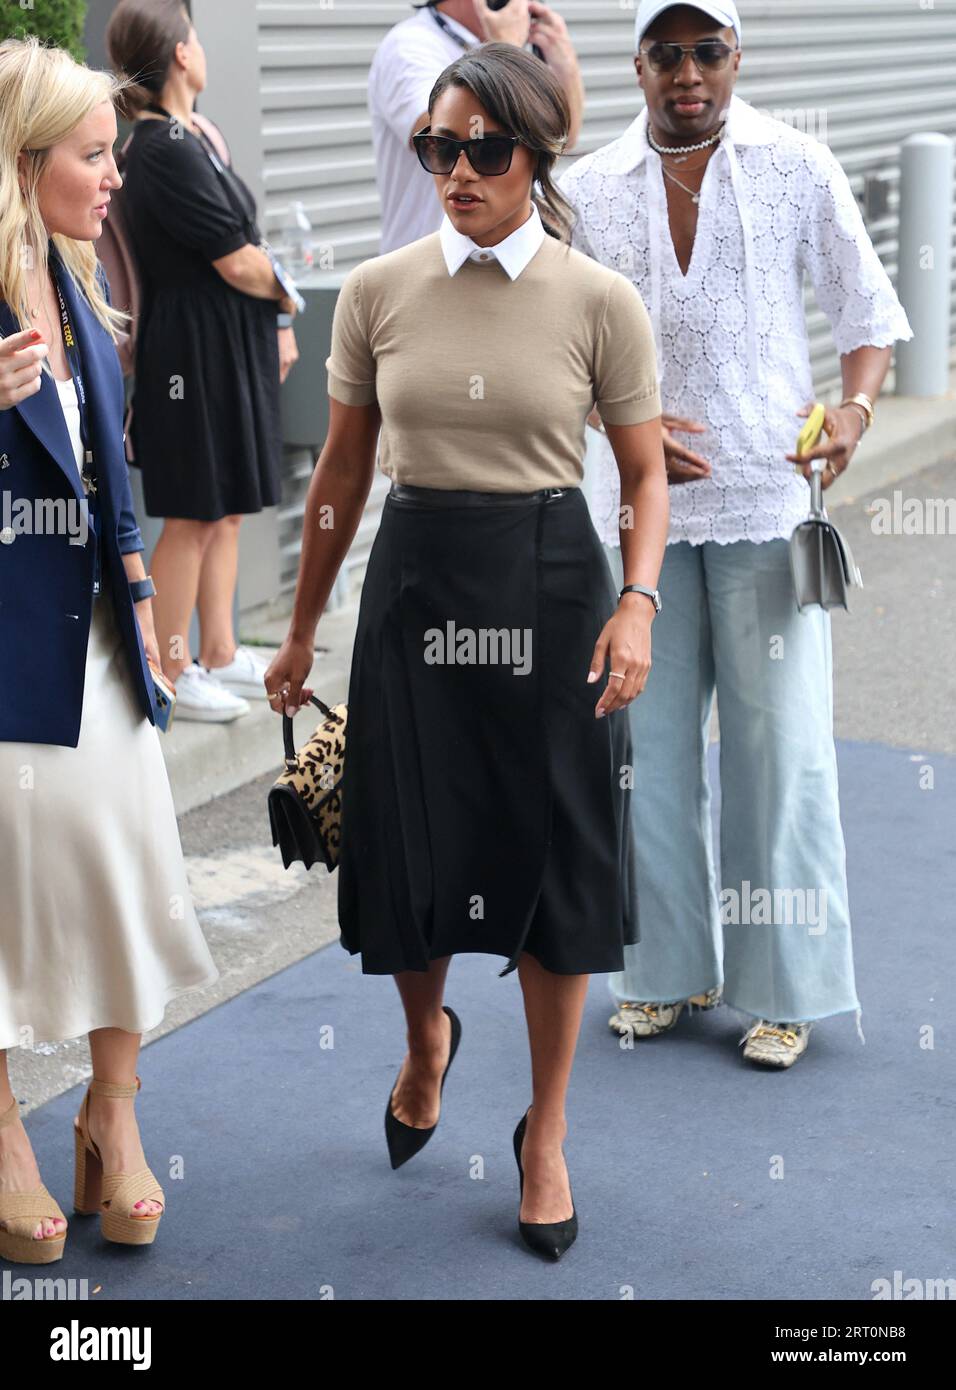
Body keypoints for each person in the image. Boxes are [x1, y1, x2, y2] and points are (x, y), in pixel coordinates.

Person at [264, 43, 668, 1260]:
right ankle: (425, 1041)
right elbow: (339, 475)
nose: (455, 171)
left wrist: (638, 601)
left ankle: (543, 1132)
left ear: (534, 155)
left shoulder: (598, 299)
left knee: (555, 865)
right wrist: (295, 629)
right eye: (435, 148)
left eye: (482, 150)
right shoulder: (383, 288)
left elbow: (643, 474)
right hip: (416, 583)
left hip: (553, 588)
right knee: (410, 851)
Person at [557, 0, 914, 1068]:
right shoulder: (583, 189)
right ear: (634, 65)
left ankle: (784, 988)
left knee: (781, 757)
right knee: (642, 759)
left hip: (764, 500)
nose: (685, 73)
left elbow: (867, 318)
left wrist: (848, 415)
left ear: (734, 57)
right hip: (635, 520)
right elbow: (549, 347)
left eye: (704, 50)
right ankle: (663, 972)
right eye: (664, 53)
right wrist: (611, 423)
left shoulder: (796, 166)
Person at [0, 36, 219, 1264]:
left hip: (97, 640)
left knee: (127, 870)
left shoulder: (76, 279)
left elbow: (112, 469)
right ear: (24, 164)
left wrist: (144, 606)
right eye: (93, 156)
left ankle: (111, 1119)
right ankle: (6, 1141)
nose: (115, 177)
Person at [105, 0, 300, 722]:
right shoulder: (163, 149)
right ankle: (173, 667)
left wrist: (275, 311)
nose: (201, 45)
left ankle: (217, 650)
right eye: (194, 34)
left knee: (225, 508)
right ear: (182, 54)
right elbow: (238, 260)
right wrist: (289, 300)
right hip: (190, 351)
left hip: (220, 345)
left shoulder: (189, 138)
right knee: (192, 511)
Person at [369, 0, 584, 252]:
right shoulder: (410, 44)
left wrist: (566, 67)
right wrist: (506, 53)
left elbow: (560, 141)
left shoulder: (501, 42)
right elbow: (447, 134)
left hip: (508, 262)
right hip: (426, 268)